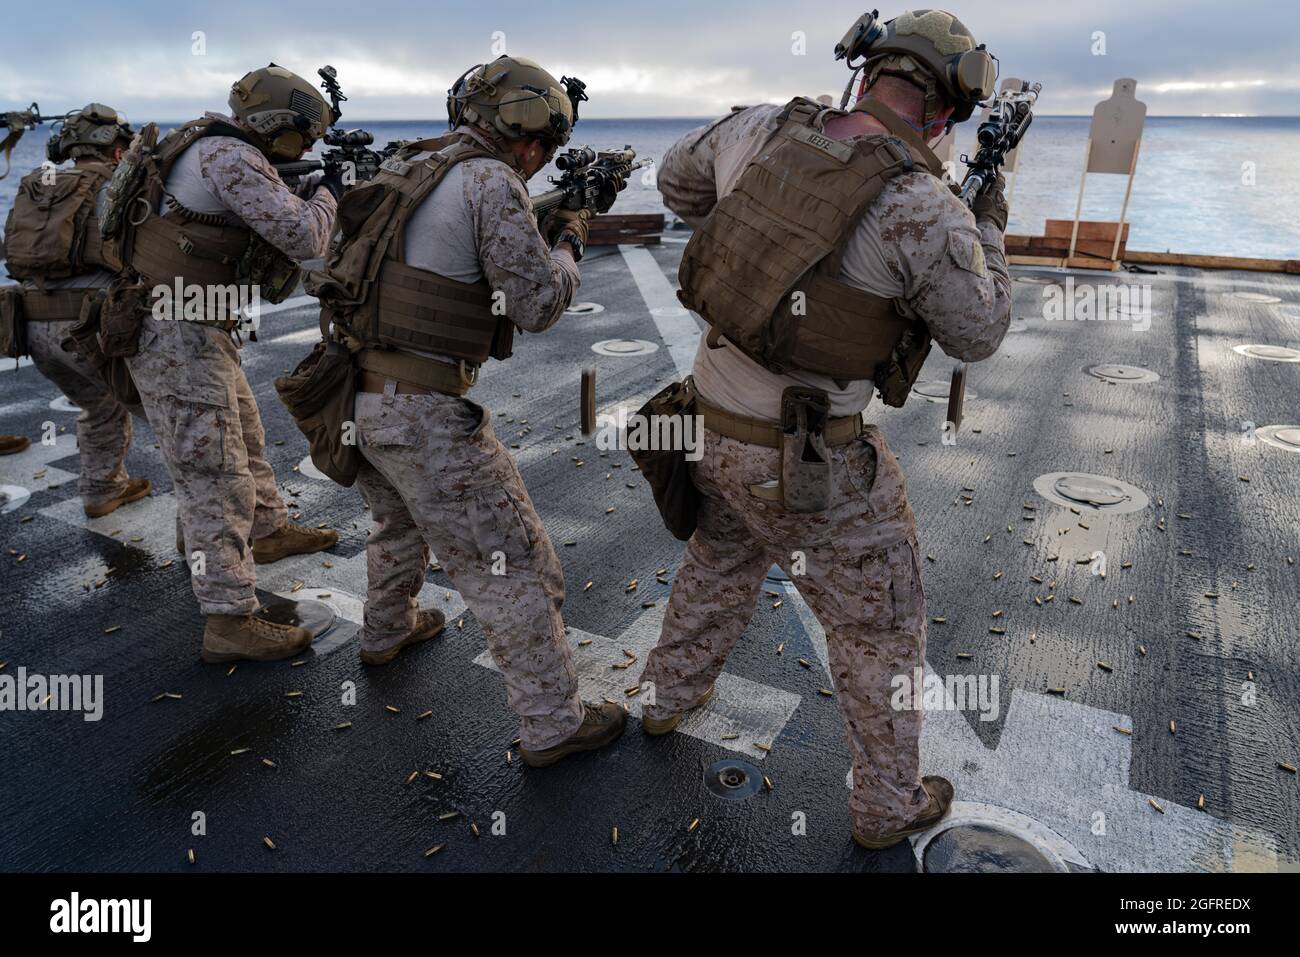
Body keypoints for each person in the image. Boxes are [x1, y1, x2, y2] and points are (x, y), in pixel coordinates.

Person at [640, 9, 1012, 849]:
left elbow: (675, 182)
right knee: (879, 628)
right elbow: (977, 334)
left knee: (721, 559)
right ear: (948, 108)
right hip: (808, 464)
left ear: (865, 70)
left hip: (703, 427)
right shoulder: (922, 205)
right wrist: (989, 220)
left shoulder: (763, 126)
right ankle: (886, 807)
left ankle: (665, 700)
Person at [308, 55, 623, 767]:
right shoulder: (490, 179)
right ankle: (553, 725)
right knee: (513, 564)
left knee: (397, 522)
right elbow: (537, 303)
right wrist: (570, 238)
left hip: (357, 392)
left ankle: (385, 631)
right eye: (545, 147)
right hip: (421, 411)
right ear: (531, 136)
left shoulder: (414, 164)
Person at [116, 64, 343, 663]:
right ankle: (229, 618)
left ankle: (264, 532)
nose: (310, 145)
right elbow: (304, 238)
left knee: (243, 435)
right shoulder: (229, 156)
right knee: (213, 477)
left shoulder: (204, 141)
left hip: (189, 324)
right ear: (280, 126)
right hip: (178, 332)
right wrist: (329, 193)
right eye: (306, 133)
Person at [1, 103, 149, 517]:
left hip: (31, 324)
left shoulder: (39, 185)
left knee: (100, 405)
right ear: (118, 150)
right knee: (174, 418)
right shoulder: (114, 187)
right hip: (89, 326)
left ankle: (102, 490)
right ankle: (207, 523)